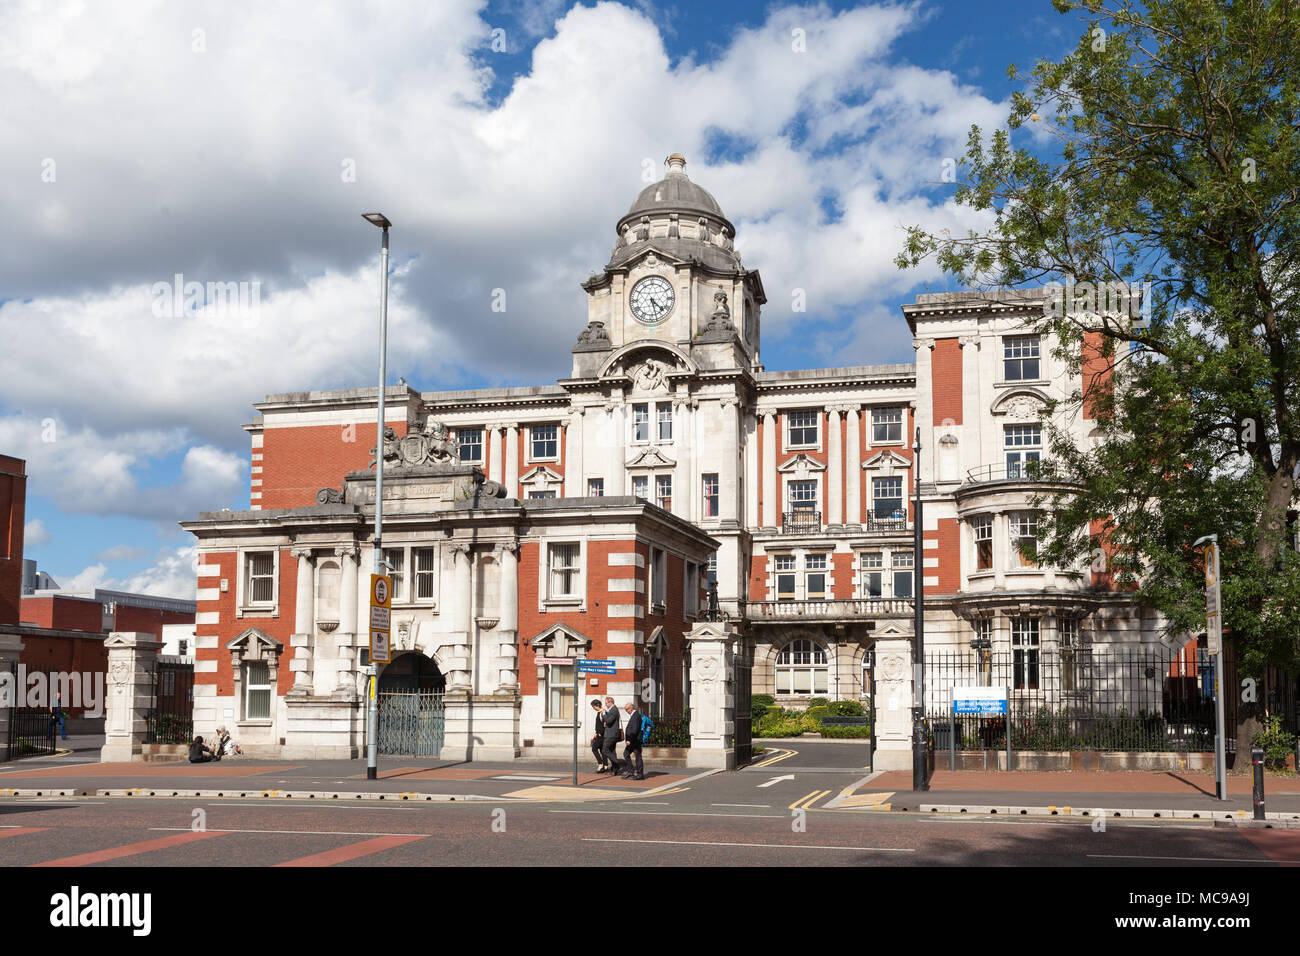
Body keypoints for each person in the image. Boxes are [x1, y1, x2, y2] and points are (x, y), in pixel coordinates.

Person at [599, 696, 622, 776]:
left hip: (611, 734)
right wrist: (604, 714)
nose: (605, 705)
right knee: (612, 751)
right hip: (610, 733)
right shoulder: (611, 710)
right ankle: (615, 769)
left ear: (610, 702)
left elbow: (608, 721)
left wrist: (603, 713)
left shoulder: (614, 710)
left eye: (606, 703)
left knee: (604, 749)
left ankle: (617, 763)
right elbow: (607, 720)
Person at [622, 702, 645, 780]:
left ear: (631, 708)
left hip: (635, 740)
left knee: (637, 757)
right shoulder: (634, 716)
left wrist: (629, 740)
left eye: (627, 709)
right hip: (633, 740)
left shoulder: (635, 716)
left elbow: (634, 730)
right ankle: (631, 771)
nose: (627, 711)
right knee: (626, 754)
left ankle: (640, 774)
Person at [589, 699, 610, 773]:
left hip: (601, 735)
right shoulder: (600, 712)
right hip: (600, 734)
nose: (593, 708)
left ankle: (600, 763)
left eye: (593, 706)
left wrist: (600, 733)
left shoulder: (602, 713)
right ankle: (605, 766)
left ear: (597, 705)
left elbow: (605, 724)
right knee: (602, 750)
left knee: (594, 748)